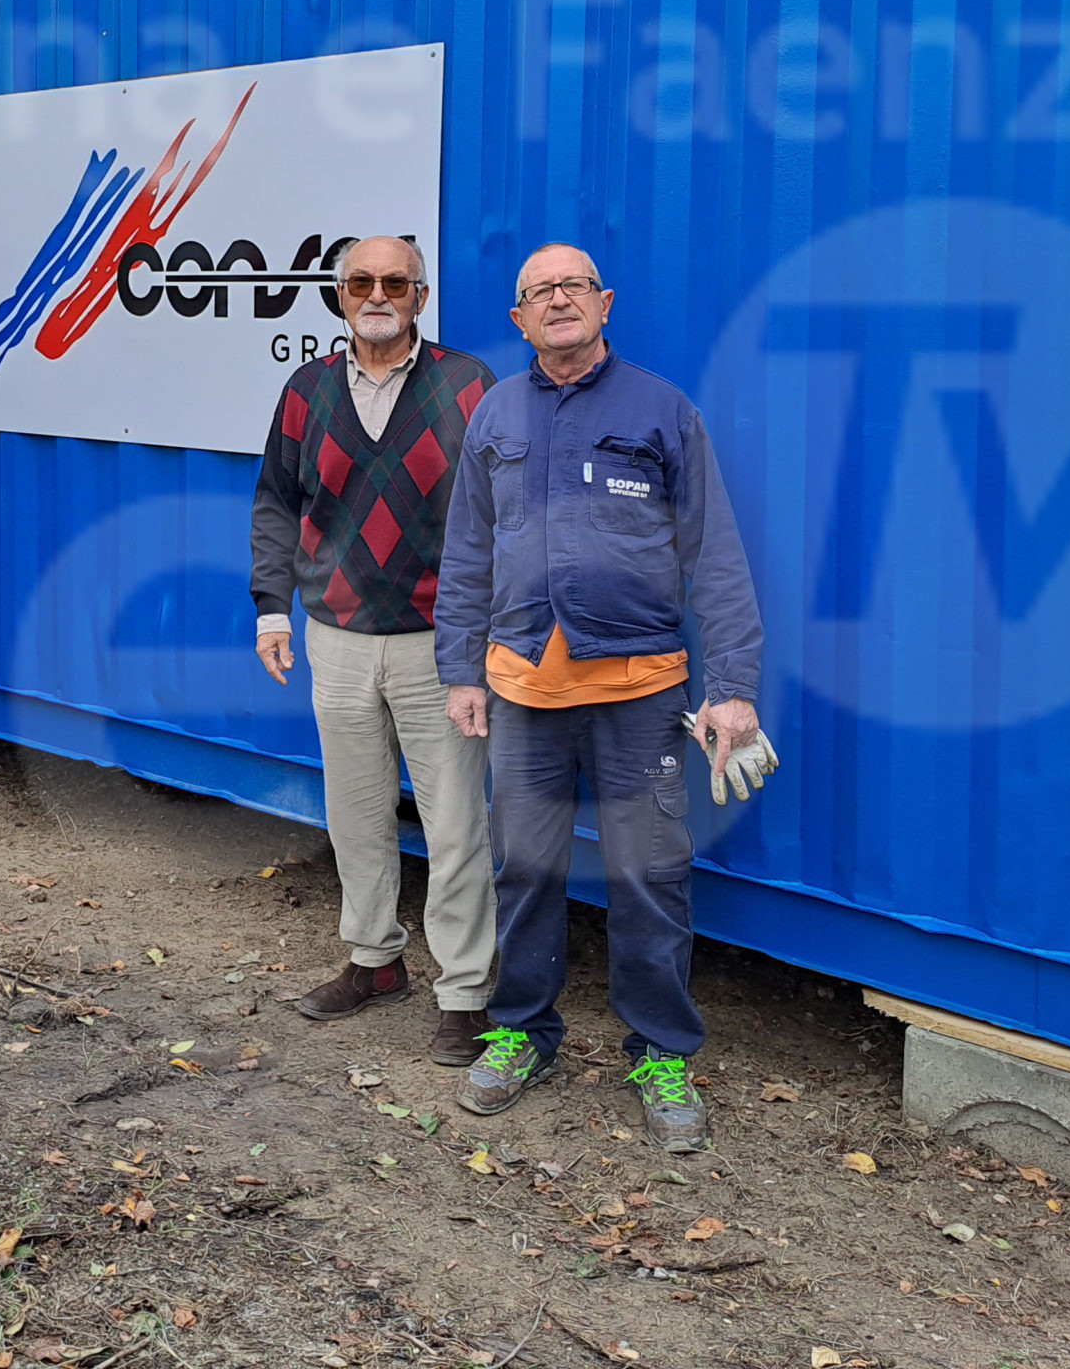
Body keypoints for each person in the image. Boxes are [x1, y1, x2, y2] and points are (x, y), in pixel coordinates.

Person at [433, 242, 771, 1152]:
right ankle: (518, 1035)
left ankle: (660, 1053)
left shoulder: (662, 410)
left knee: (649, 878)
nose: (558, 302)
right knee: (527, 874)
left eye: (573, 286)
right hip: (522, 694)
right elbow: (467, 551)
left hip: (639, 692)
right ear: (519, 319)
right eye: (539, 292)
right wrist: (461, 669)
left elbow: (717, 557)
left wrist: (734, 686)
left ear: (605, 303)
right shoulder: (495, 414)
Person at [250, 236, 502, 1065]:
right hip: (337, 637)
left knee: (455, 824)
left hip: (442, 645)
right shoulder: (306, 390)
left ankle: (464, 993)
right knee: (355, 815)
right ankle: (373, 960)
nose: (377, 293)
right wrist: (270, 610)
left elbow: (505, 515)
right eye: (360, 281)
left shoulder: (469, 386)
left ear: (421, 296)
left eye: (396, 280)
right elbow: (277, 507)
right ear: (339, 295)